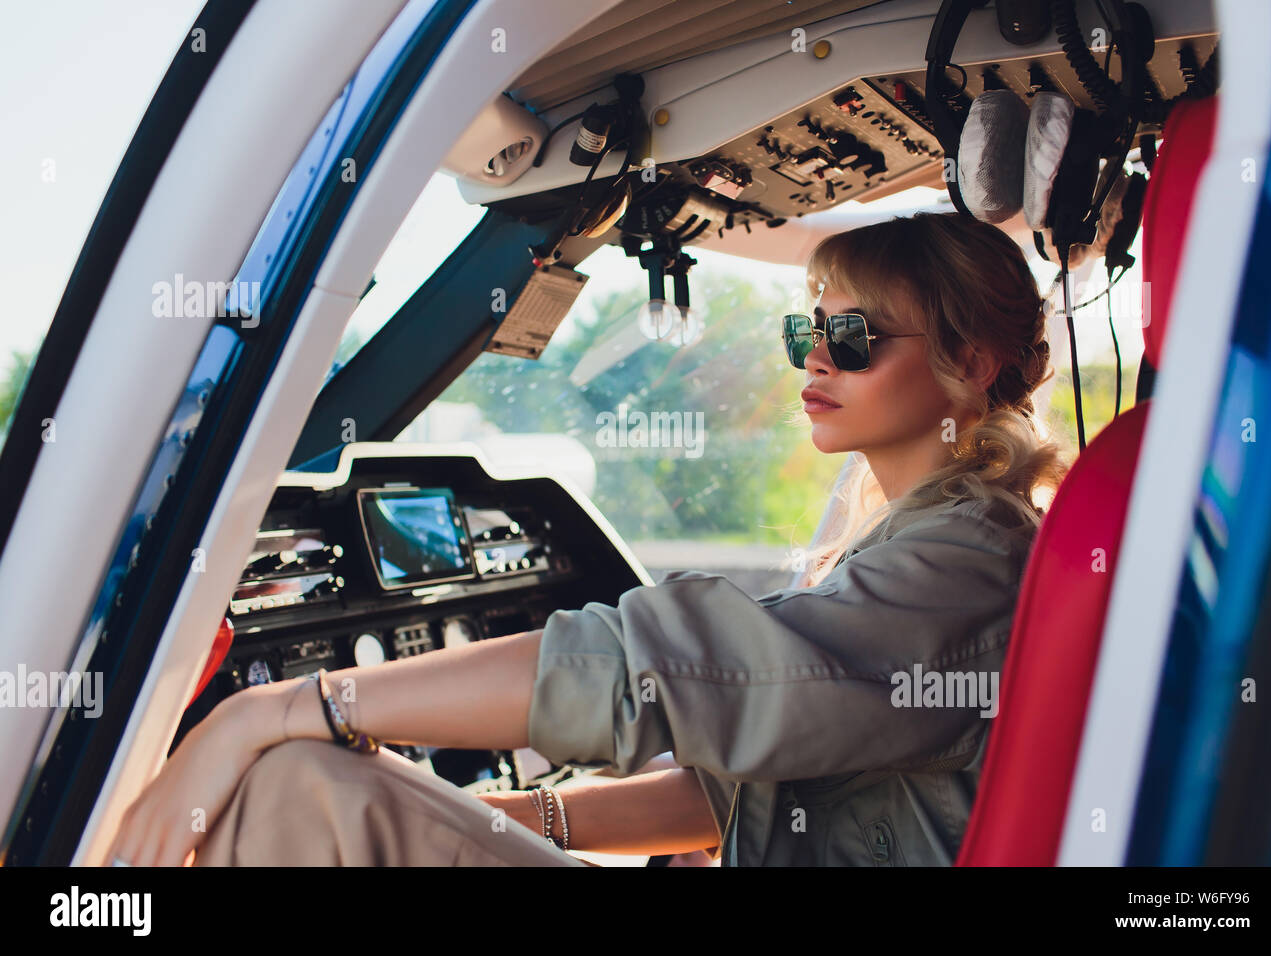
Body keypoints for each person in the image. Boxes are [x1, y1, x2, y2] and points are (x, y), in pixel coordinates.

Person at [106, 211, 1067, 867]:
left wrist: (281, 708)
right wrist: (519, 815)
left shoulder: (965, 564)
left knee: (301, 789)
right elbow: (738, 786)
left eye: (852, 337)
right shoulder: (935, 540)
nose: (815, 358)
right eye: (803, 332)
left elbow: (661, 670)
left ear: (968, 365)